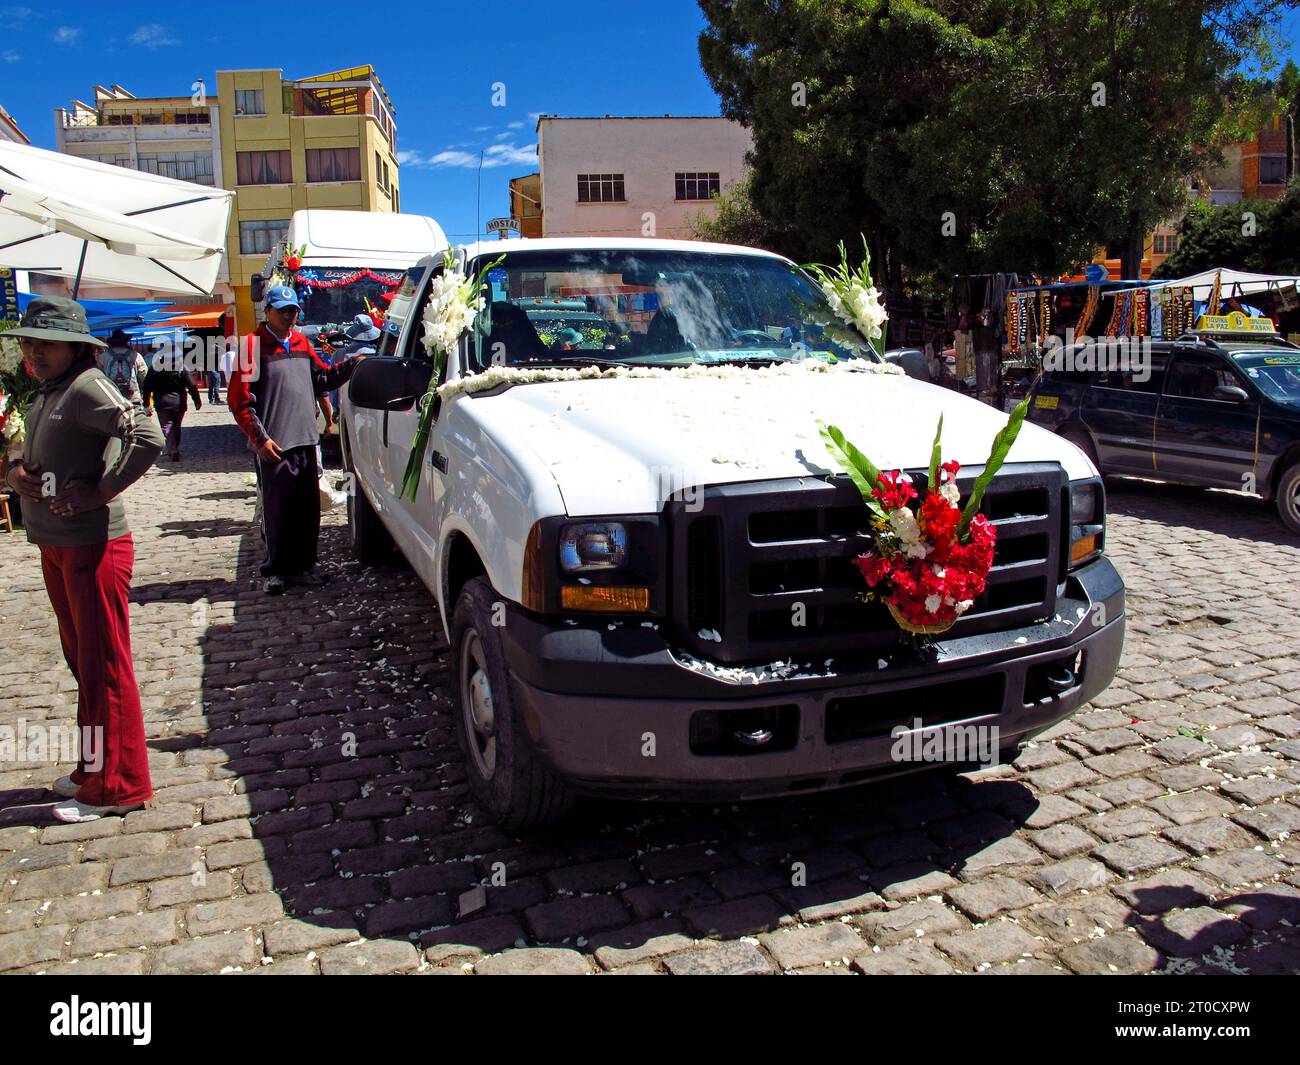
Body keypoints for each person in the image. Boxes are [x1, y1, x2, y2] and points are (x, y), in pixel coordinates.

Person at [3, 297, 164, 823]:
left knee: (105, 666)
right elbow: (27, 455)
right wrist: (14, 475)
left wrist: (102, 492)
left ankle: (120, 786)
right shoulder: (48, 392)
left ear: (75, 346)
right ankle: (93, 770)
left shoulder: (86, 386)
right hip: (56, 543)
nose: (33, 351)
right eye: (27, 342)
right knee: (84, 665)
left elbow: (147, 435)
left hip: (92, 546)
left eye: (45, 342)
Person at [227, 285, 365, 595]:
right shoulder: (251, 346)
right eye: (284, 311)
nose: (290, 316)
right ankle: (276, 570)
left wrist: (352, 365)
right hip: (274, 444)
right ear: (268, 312)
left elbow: (322, 379)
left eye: (294, 311)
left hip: (305, 439)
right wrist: (259, 439)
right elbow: (239, 400)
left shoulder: (303, 342)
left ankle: (304, 567)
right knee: (277, 512)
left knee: (306, 511)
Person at [141, 350, 201, 461]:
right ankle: (174, 447)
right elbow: (192, 385)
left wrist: (146, 403)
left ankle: (172, 447)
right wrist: (197, 400)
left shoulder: (155, 368)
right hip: (179, 403)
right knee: (177, 426)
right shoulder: (181, 368)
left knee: (167, 426)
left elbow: (147, 387)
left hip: (162, 403)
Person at [97, 328, 146, 403]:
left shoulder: (103, 356)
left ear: (111, 343)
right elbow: (144, 375)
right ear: (126, 342)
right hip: (133, 398)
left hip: (113, 398)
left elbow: (98, 376)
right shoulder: (135, 355)